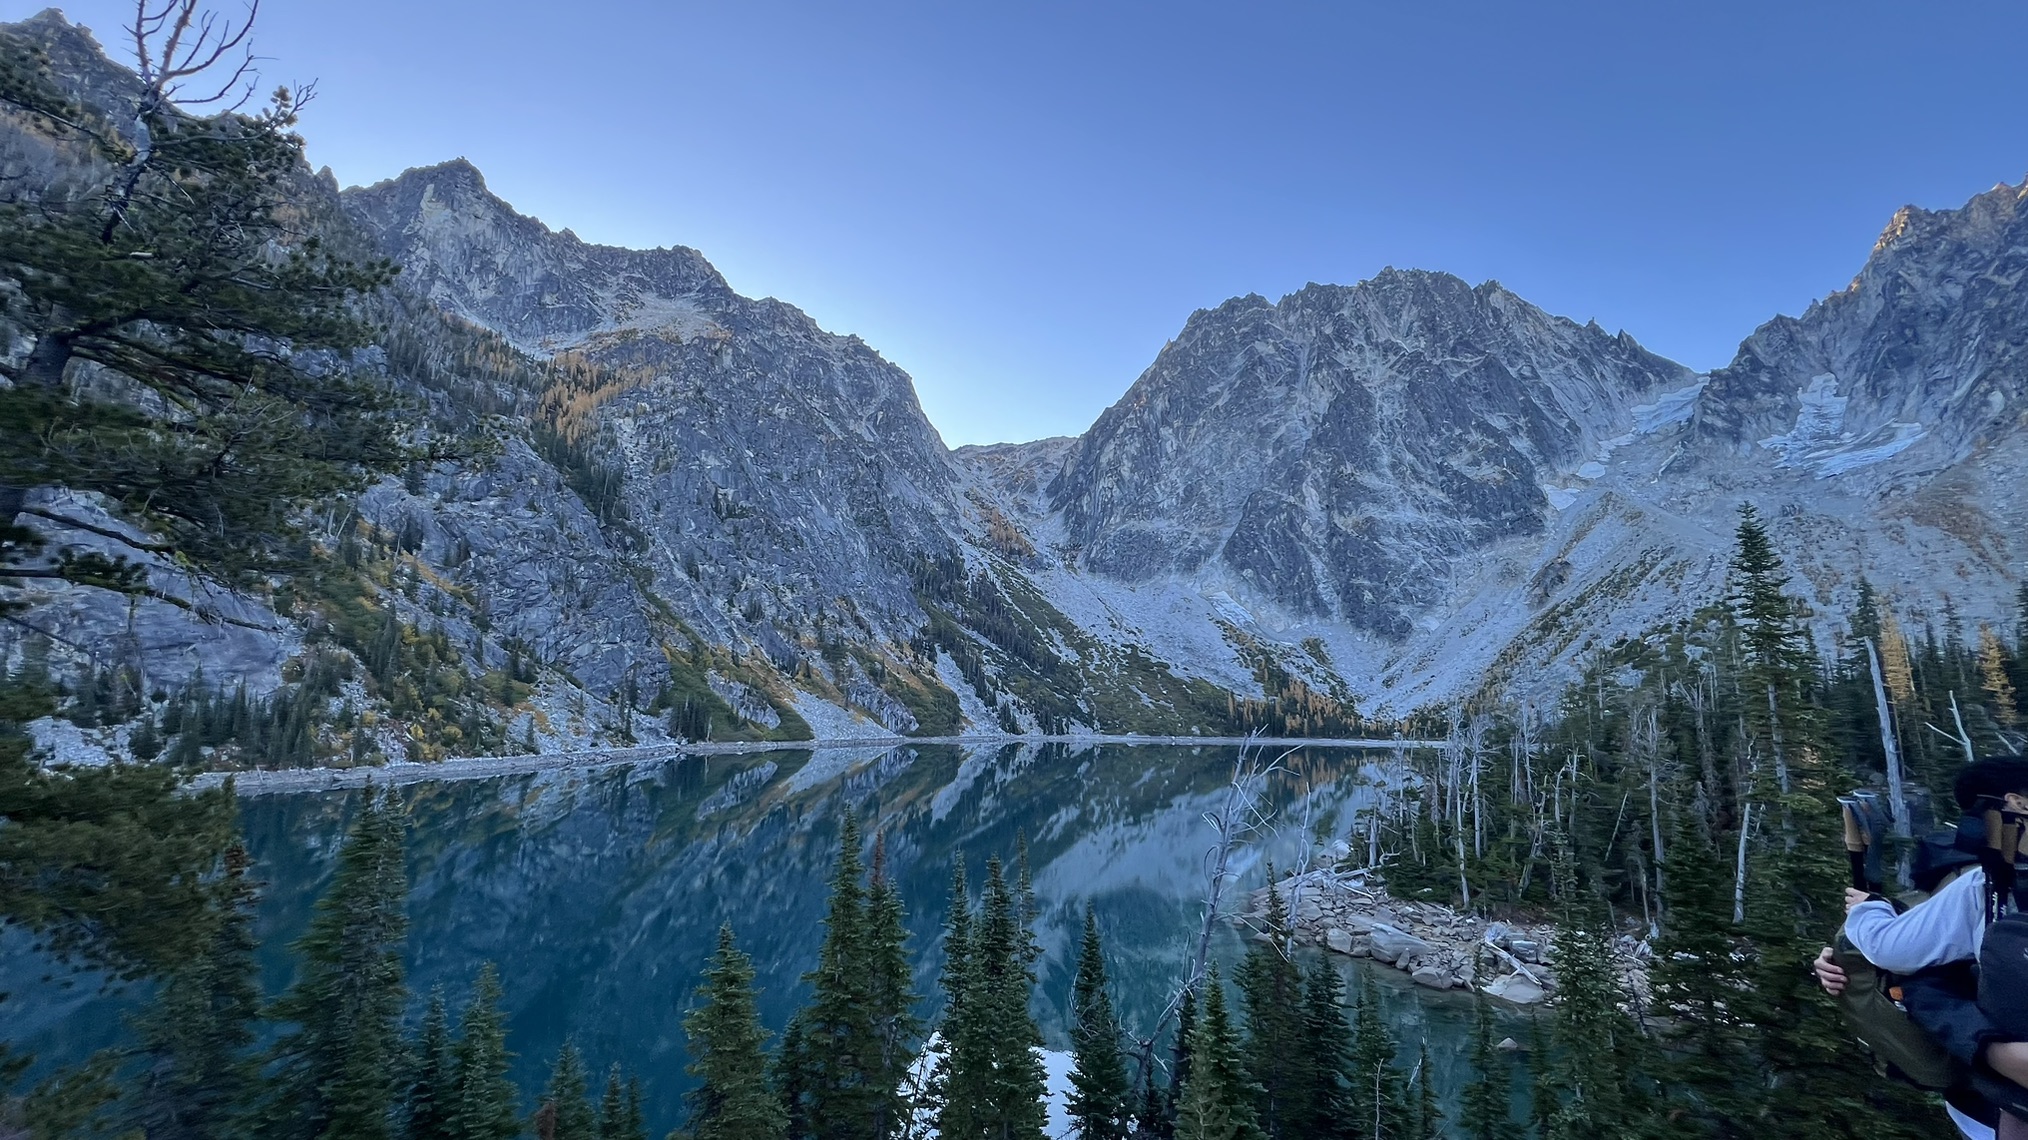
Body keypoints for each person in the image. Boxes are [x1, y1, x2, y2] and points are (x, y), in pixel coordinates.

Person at [1815, 757, 2028, 1140]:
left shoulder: (1986, 885)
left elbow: (1887, 948)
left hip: (1995, 1102)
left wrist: (1868, 914)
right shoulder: (1986, 884)